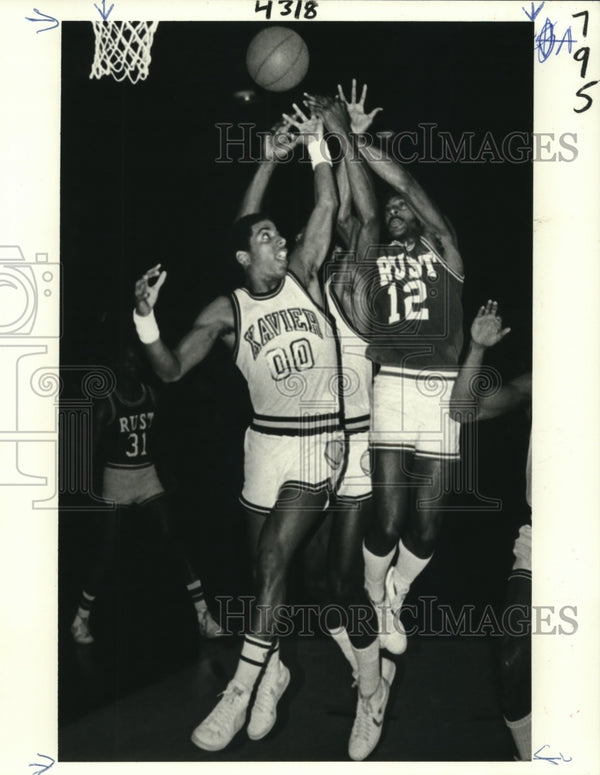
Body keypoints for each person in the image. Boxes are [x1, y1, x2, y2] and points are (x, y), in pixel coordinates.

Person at [234, 109, 394, 761]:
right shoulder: (292, 289)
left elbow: (368, 217)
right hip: (302, 450)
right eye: (298, 235)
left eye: (315, 233)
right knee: (287, 569)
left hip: (354, 452)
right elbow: (243, 233)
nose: (309, 238)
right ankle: (274, 665)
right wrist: (279, 156)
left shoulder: (353, 286)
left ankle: (370, 690)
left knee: (341, 583)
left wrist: (339, 139)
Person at [307, 81, 464, 655]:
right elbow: (360, 209)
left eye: (405, 210)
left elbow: (407, 183)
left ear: (422, 220)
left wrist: (356, 136)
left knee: (427, 528)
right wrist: (344, 142)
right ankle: (377, 596)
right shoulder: (371, 261)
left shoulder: (445, 249)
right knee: (391, 520)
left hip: (444, 391)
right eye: (392, 210)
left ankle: (395, 589)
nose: (396, 211)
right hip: (393, 384)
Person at [70, 341, 222, 645]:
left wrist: (168, 474)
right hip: (116, 477)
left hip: (146, 474)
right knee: (106, 551)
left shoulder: (150, 395)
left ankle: (203, 614)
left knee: (175, 539)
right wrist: (89, 489)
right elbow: (90, 450)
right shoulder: (108, 403)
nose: (132, 365)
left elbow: (158, 440)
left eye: (134, 360)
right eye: (126, 361)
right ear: (116, 366)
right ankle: (80, 619)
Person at [450, 300, 532, 760]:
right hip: (545, 537)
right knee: (511, 656)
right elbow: (463, 412)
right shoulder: (542, 384)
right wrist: (477, 349)